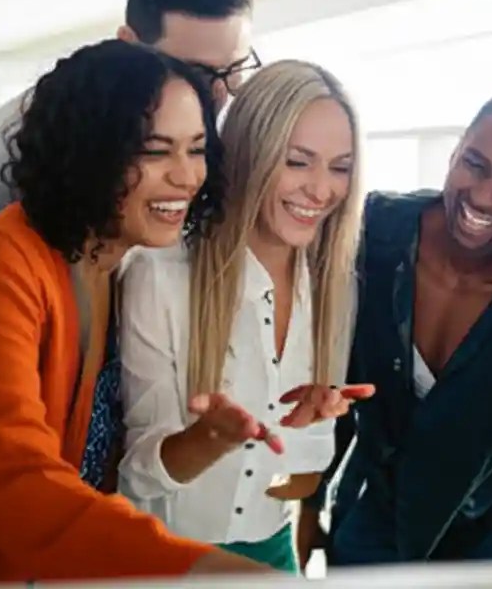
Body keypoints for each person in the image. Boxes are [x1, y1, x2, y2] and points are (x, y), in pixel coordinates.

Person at [0, 41, 288, 586]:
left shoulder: (118, 265)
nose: (186, 177)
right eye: (155, 151)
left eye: (197, 148)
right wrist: (216, 575)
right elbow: (18, 483)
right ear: (89, 151)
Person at [297, 90, 492, 566]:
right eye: (475, 164)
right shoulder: (376, 230)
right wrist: (308, 499)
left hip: (482, 546)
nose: (484, 195)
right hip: (367, 521)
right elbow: (333, 374)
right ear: (456, 150)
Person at [119, 60, 374, 573]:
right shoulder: (160, 275)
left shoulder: (332, 291)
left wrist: (301, 434)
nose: (321, 190)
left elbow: (292, 492)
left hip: (272, 556)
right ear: (248, 155)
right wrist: (209, 440)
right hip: (165, 561)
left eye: (340, 167)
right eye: (298, 162)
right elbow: (136, 481)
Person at [0, 0, 259, 238]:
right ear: (129, 43)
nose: (219, 93)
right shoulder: (7, 145)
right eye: (196, 73)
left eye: (235, 68)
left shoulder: (237, 121)